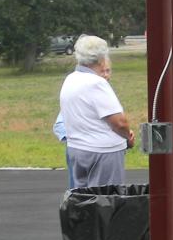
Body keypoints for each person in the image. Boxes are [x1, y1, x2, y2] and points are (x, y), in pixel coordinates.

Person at [57, 35, 134, 188]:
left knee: (84, 200)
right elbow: (119, 122)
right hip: (102, 152)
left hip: (78, 149)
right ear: (101, 59)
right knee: (107, 201)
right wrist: (128, 136)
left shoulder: (71, 79)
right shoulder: (97, 83)